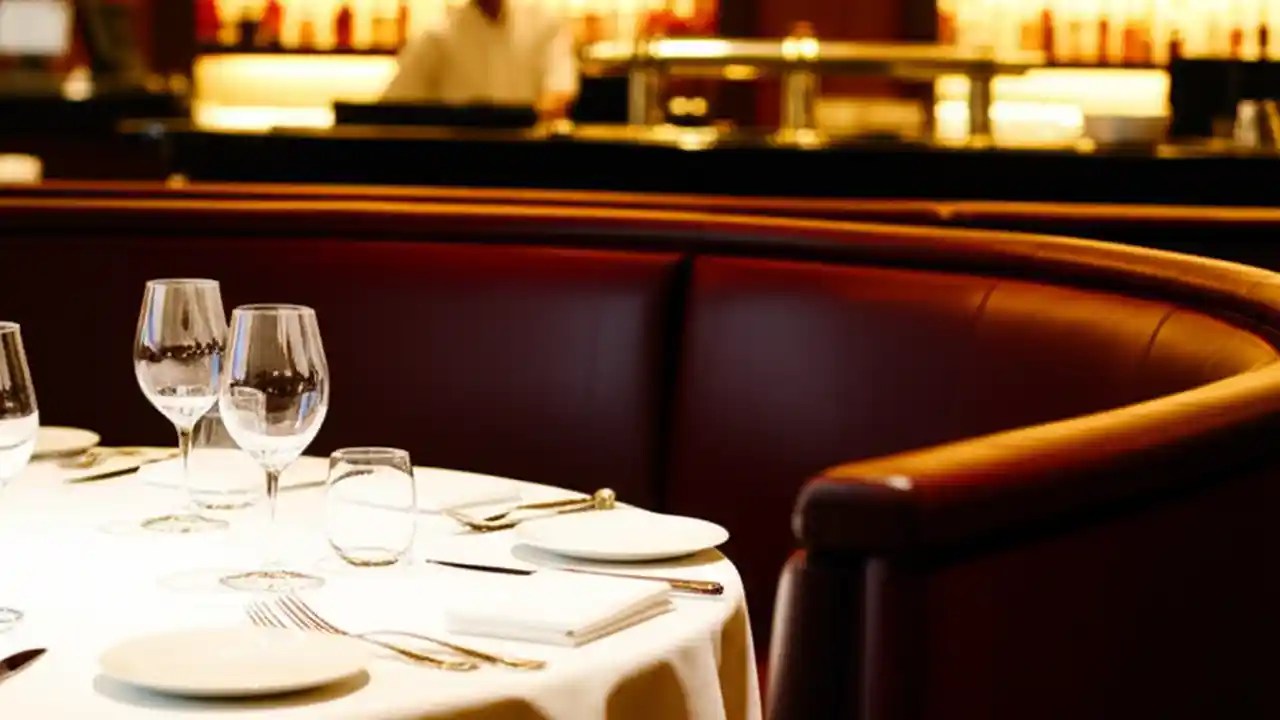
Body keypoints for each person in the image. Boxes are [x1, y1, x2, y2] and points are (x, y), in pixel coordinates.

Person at [381, 0, 579, 120]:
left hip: (528, 156)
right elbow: (393, 107)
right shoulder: (437, 35)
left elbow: (559, 92)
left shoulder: (544, 23)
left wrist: (526, 118)